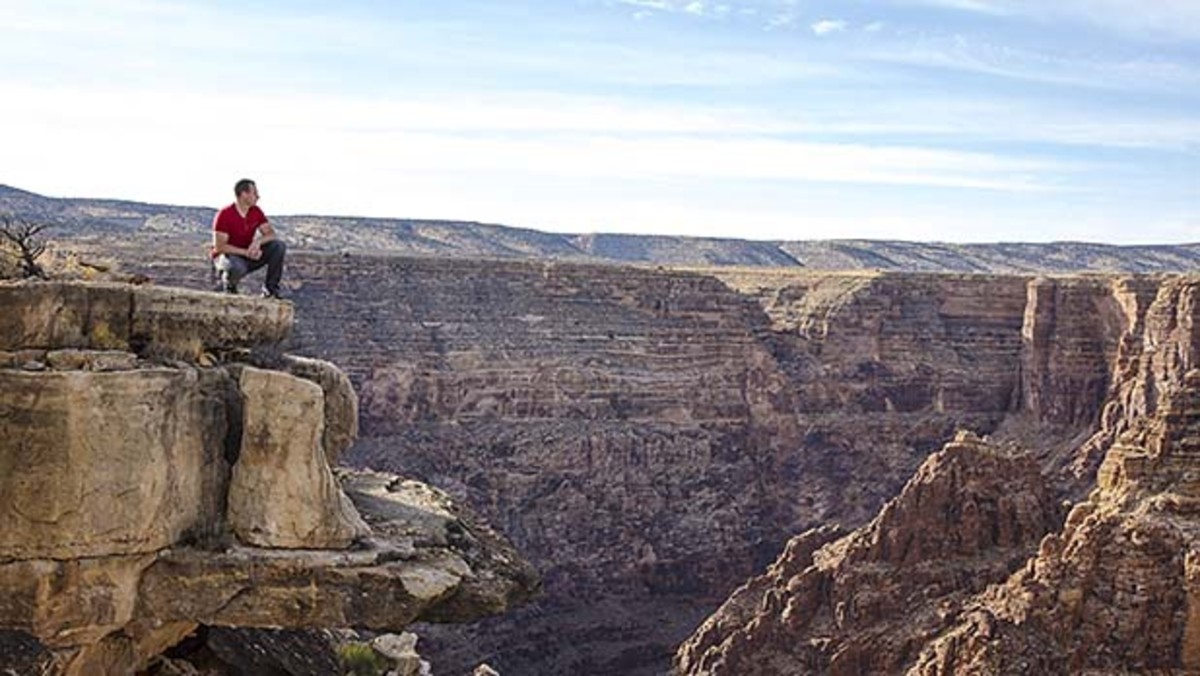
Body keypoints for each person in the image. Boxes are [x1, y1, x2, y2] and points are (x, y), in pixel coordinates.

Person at [212, 178, 286, 298]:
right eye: (254, 193)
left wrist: (258, 241)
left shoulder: (256, 212)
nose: (258, 197)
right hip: (228, 256)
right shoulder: (225, 214)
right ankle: (230, 285)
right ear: (243, 194)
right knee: (236, 267)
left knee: (278, 246)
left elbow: (271, 234)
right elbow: (220, 247)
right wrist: (246, 252)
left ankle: (270, 290)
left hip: (247, 253)